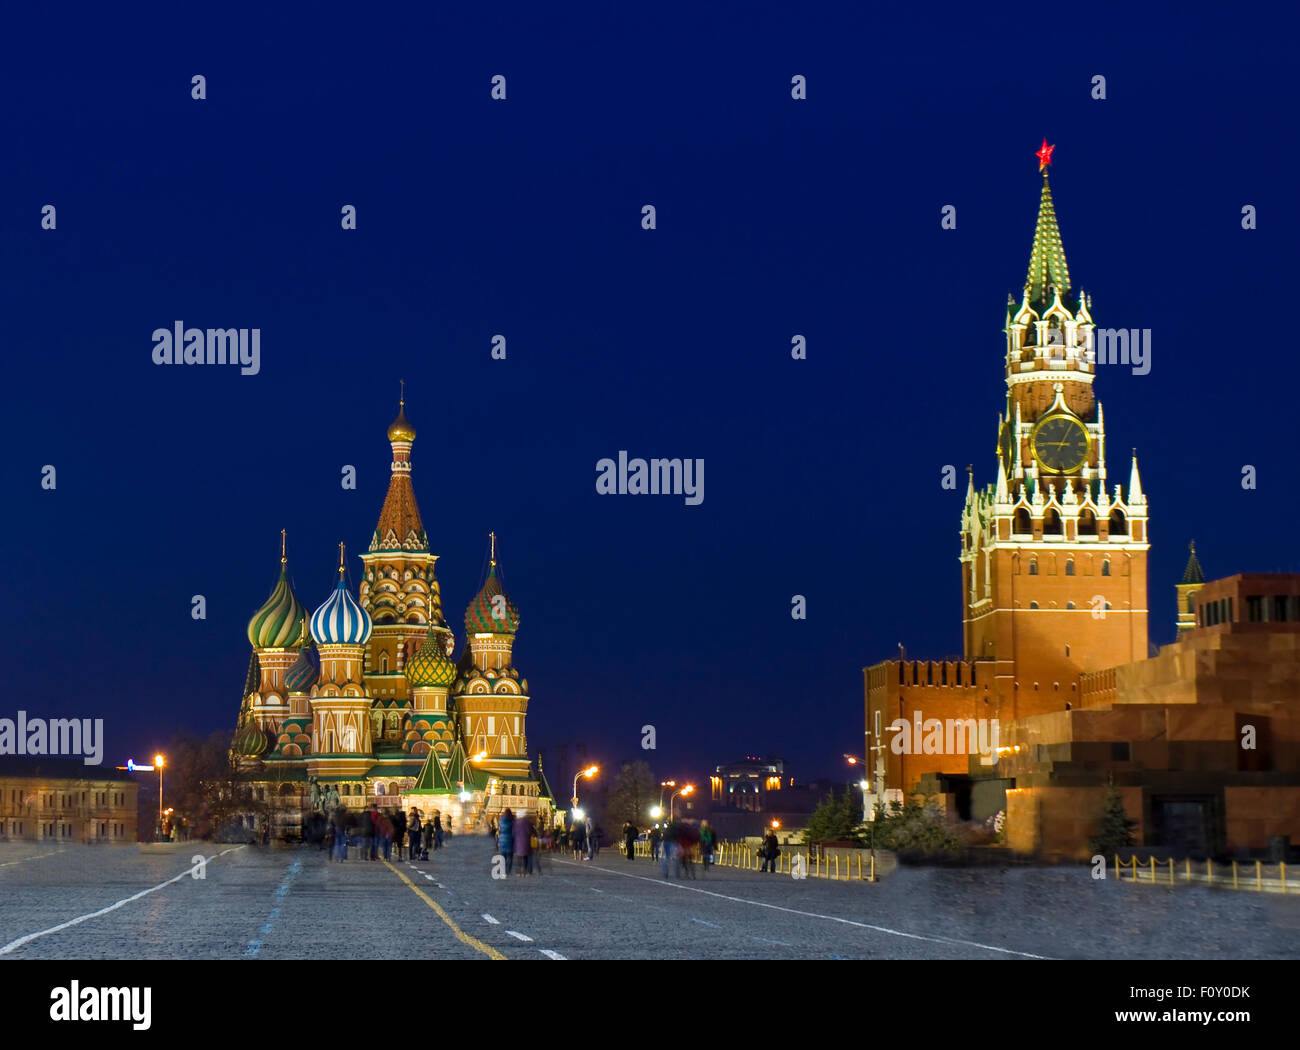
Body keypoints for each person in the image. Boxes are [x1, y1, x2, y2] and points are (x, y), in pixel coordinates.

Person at [513, 811, 534, 875]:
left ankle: (519, 871)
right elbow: (531, 832)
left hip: (518, 843)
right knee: (525, 857)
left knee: (519, 857)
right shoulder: (528, 823)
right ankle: (525, 870)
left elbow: (513, 833)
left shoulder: (516, 823)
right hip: (526, 842)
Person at [498, 808, 515, 875]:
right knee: (510, 857)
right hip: (510, 840)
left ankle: (503, 871)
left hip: (502, 840)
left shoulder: (500, 820)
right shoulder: (512, 821)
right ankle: (508, 871)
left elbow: (499, 828)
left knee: (503, 857)